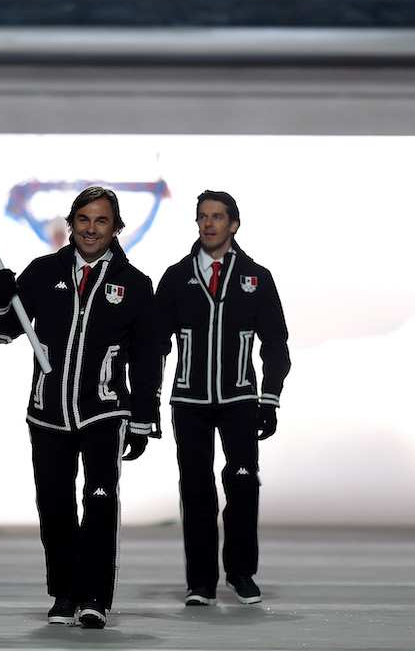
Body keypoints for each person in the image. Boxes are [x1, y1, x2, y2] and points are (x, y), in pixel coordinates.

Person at [0, 185, 161, 629]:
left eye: (102, 221)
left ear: (116, 228)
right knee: (55, 505)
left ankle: (94, 597)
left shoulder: (135, 284)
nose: (91, 229)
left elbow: (147, 357)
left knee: (100, 503)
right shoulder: (43, 272)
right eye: (84, 219)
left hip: (104, 412)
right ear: (70, 223)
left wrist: (142, 421)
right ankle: (64, 593)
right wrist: (1, 296)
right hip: (47, 412)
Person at [155, 190, 290, 607]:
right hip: (190, 402)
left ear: (234, 224)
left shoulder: (256, 277)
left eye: (217, 217)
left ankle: (241, 573)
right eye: (202, 217)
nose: (208, 224)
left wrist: (269, 398)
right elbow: (155, 345)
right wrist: (146, 403)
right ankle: (201, 582)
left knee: (244, 484)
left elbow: (276, 343)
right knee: (196, 490)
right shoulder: (177, 277)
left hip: (239, 400)